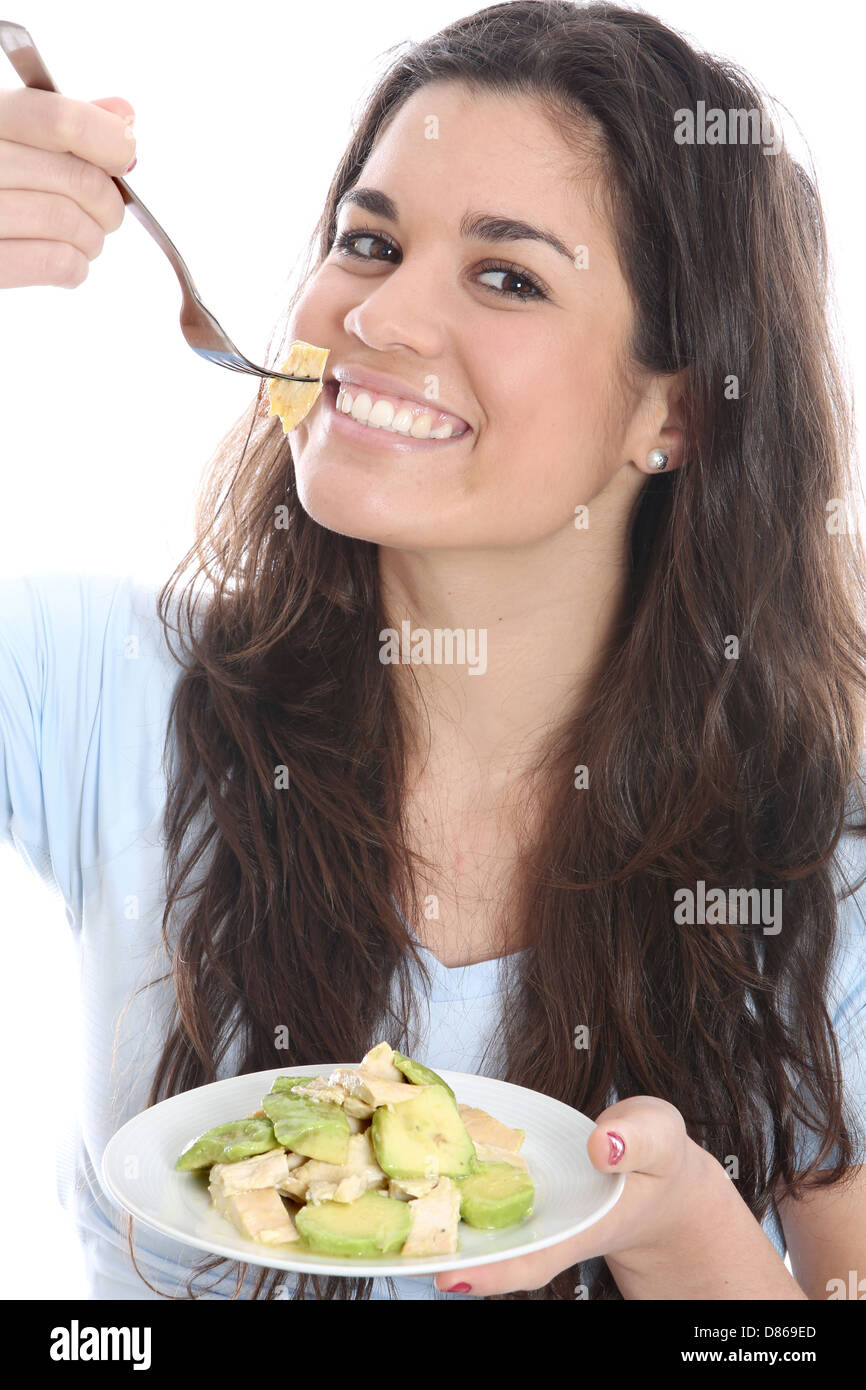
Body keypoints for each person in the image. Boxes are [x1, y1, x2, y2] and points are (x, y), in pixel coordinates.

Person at [1, 0, 865, 1302]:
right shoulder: (95, 678)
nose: (380, 318)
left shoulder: (817, 871)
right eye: (368, 240)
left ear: (673, 413)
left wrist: (682, 1224)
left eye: (506, 275)